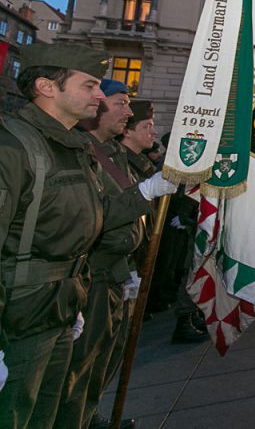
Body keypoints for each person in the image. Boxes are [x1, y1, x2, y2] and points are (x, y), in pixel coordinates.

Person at [0, 44, 176, 429]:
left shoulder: (73, 147)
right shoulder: (12, 146)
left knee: (50, 411)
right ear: (47, 87)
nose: (99, 96)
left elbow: (95, 218)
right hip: (21, 313)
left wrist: (147, 193)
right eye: (89, 85)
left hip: (62, 304)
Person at [57, 79, 147, 429]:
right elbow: (95, 214)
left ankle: (88, 417)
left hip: (114, 272)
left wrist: (127, 269)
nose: (128, 110)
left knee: (102, 359)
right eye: (122, 103)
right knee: (79, 366)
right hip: (90, 275)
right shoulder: (82, 149)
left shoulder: (111, 151)